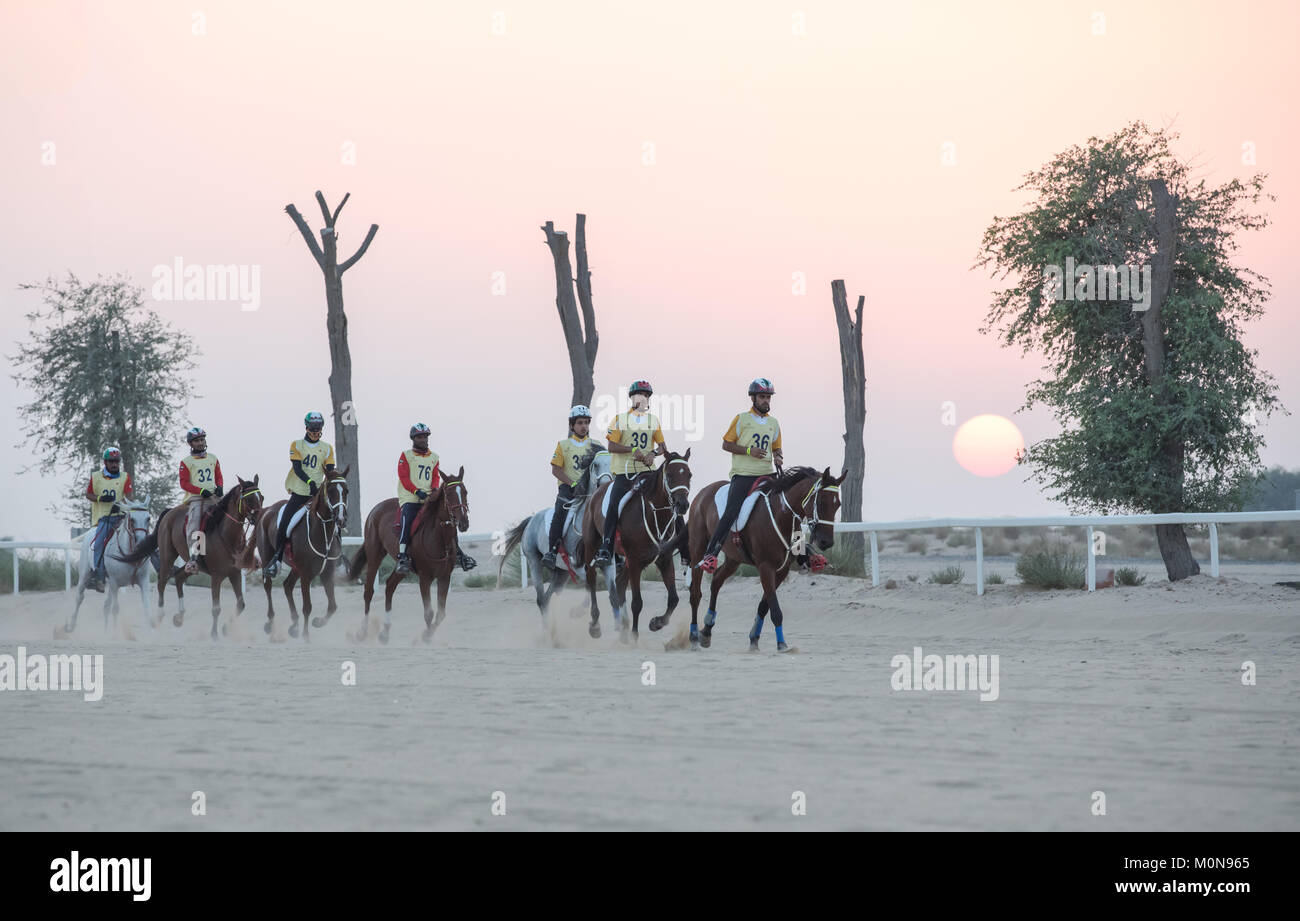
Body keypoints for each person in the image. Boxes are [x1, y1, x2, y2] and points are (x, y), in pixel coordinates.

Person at [698, 378, 783, 573]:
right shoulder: (741, 419)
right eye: (762, 397)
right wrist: (748, 451)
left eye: (768, 397)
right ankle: (711, 553)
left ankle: (803, 552)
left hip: (767, 474)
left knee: (786, 505)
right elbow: (726, 444)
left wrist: (778, 457)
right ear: (753, 398)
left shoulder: (774, 423)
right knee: (731, 512)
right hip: (744, 475)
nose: (766, 401)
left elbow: (776, 448)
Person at [591, 381, 667, 567]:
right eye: (638, 395)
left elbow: (663, 447)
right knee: (614, 505)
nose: (642, 398)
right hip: (625, 474)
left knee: (669, 498)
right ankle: (606, 547)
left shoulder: (653, 421)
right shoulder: (619, 419)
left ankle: (683, 546)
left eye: (645, 395)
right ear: (632, 398)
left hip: (648, 473)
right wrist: (633, 450)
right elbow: (611, 446)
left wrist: (653, 454)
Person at [394, 423, 477, 574]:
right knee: (407, 519)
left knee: (448, 519)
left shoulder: (434, 457)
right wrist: (417, 491)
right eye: (420, 437)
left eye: (425, 436)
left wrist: (433, 489)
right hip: (410, 498)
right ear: (413, 439)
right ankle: (402, 556)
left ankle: (458, 554)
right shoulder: (405, 455)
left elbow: (434, 476)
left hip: (430, 497)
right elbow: (404, 477)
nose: (424, 439)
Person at [263, 412, 334, 578]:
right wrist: (310, 483)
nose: (316, 431)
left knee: (335, 518)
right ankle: (277, 559)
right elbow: (297, 468)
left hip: (318, 494)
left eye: (319, 428)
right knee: (285, 522)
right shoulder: (297, 445)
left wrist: (327, 485)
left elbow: (329, 471)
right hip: (300, 492)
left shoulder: (327, 448)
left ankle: (338, 559)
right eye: (313, 428)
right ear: (307, 427)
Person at [542, 405, 593, 570]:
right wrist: (573, 484)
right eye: (580, 423)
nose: (583, 426)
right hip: (569, 489)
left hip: (591, 490)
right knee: (559, 515)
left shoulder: (596, 444)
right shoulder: (563, 445)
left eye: (586, 422)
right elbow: (555, 469)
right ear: (572, 425)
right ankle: (552, 551)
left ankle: (612, 551)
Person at [86, 446, 133, 591]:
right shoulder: (96, 477)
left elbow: (129, 496)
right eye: (111, 461)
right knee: (99, 543)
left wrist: (123, 506)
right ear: (105, 462)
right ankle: (98, 577)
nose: (114, 464)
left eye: (117, 461)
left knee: (141, 535)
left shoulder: (125, 477)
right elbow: (89, 495)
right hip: (105, 519)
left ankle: (159, 566)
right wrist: (100, 498)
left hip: (120, 517)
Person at [178, 426, 223, 574]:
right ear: (190, 444)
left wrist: (220, 487)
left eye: (202, 439)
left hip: (214, 497)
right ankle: (194, 559)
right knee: (194, 524)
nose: (200, 443)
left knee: (233, 514)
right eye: (196, 441)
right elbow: (184, 483)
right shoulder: (186, 462)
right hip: (197, 499)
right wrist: (200, 491)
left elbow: (218, 476)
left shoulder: (213, 458)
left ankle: (243, 551)